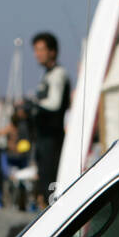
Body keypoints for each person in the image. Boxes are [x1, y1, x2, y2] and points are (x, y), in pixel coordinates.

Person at [28, 32, 70, 209]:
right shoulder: (46, 75)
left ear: (52, 52)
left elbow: (54, 104)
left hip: (52, 138)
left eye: (41, 50)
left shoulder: (58, 74)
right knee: (43, 179)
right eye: (35, 50)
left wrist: (33, 104)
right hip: (43, 138)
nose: (37, 54)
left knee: (50, 180)